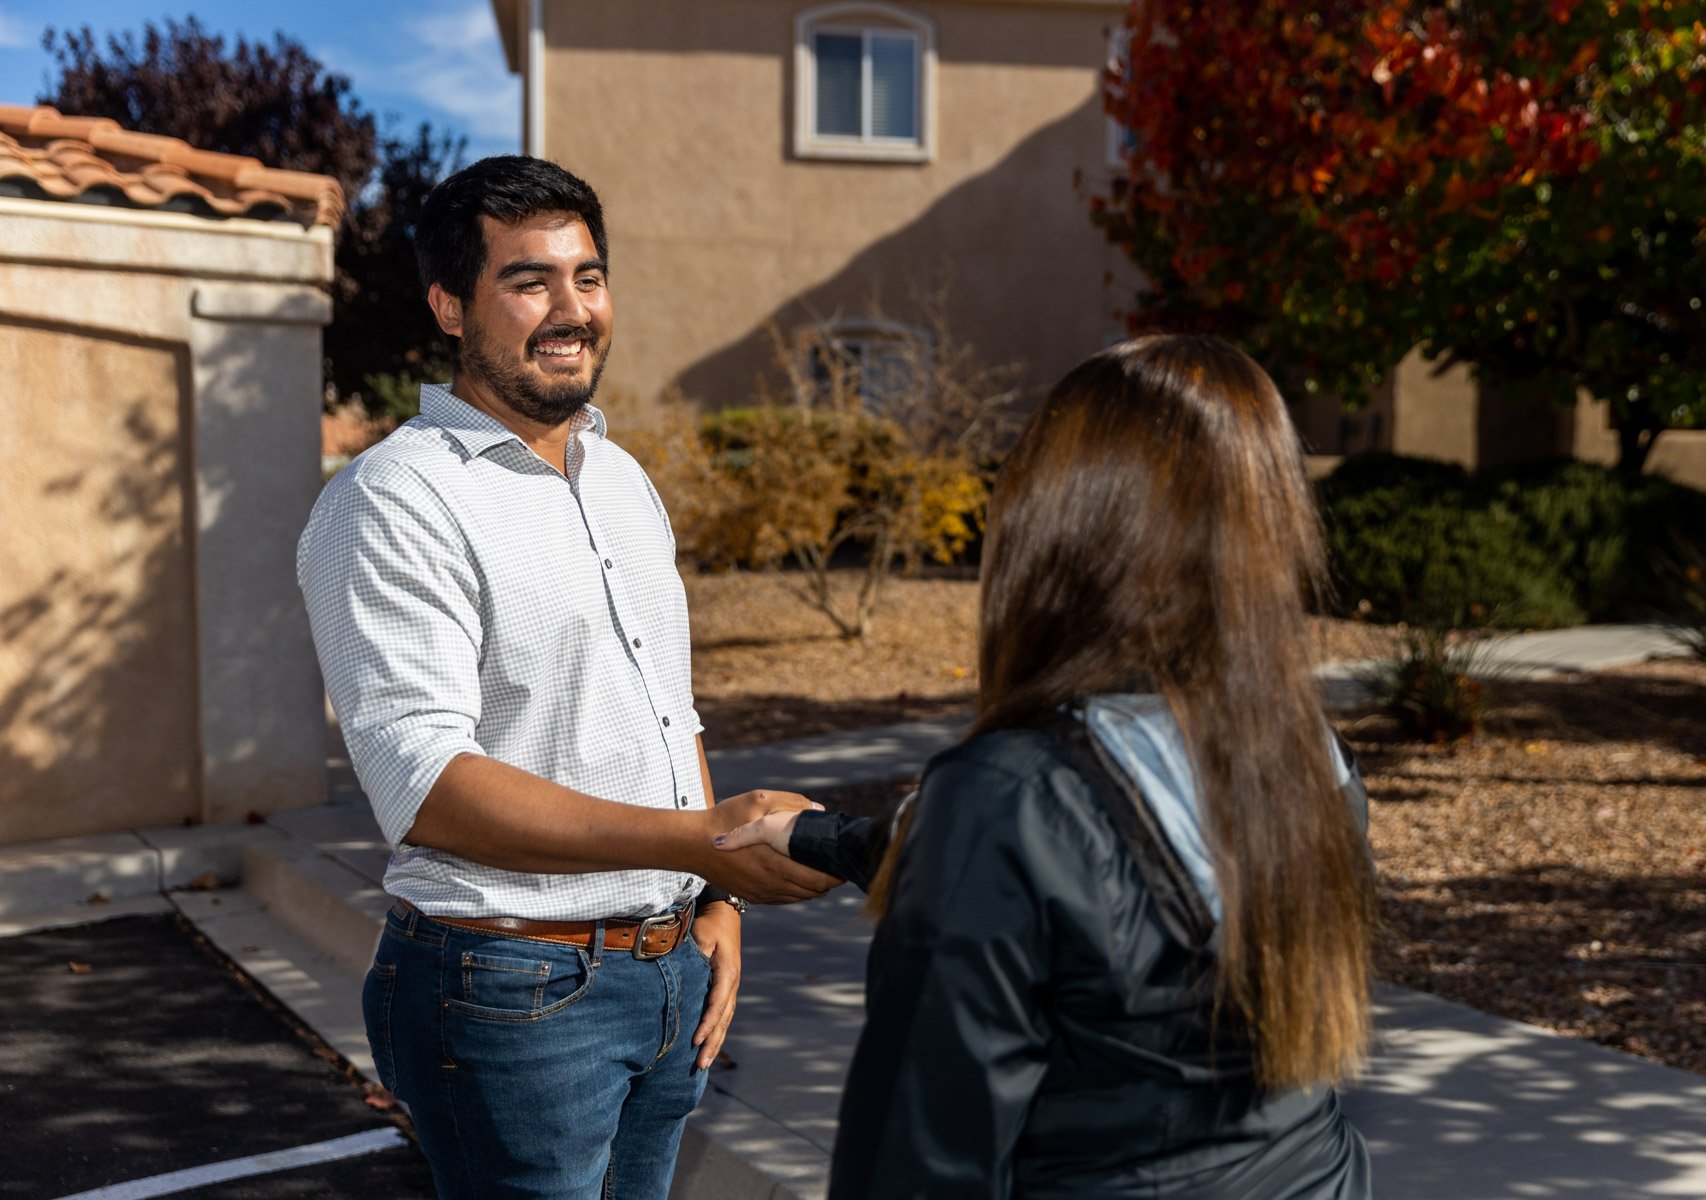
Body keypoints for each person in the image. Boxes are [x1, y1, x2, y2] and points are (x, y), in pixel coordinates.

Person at [718, 335, 1379, 1198]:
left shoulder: (1009, 798)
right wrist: (819, 838)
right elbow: (1091, 899)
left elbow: (918, 1166)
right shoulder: (1309, 762)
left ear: (1060, 526)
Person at [297, 155, 836, 1200]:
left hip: (669, 972)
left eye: (588, 277)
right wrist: (702, 840)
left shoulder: (619, 478)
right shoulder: (393, 500)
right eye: (529, 281)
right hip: (510, 991)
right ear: (451, 306)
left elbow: (663, 707)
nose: (572, 309)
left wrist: (714, 893)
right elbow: (427, 786)